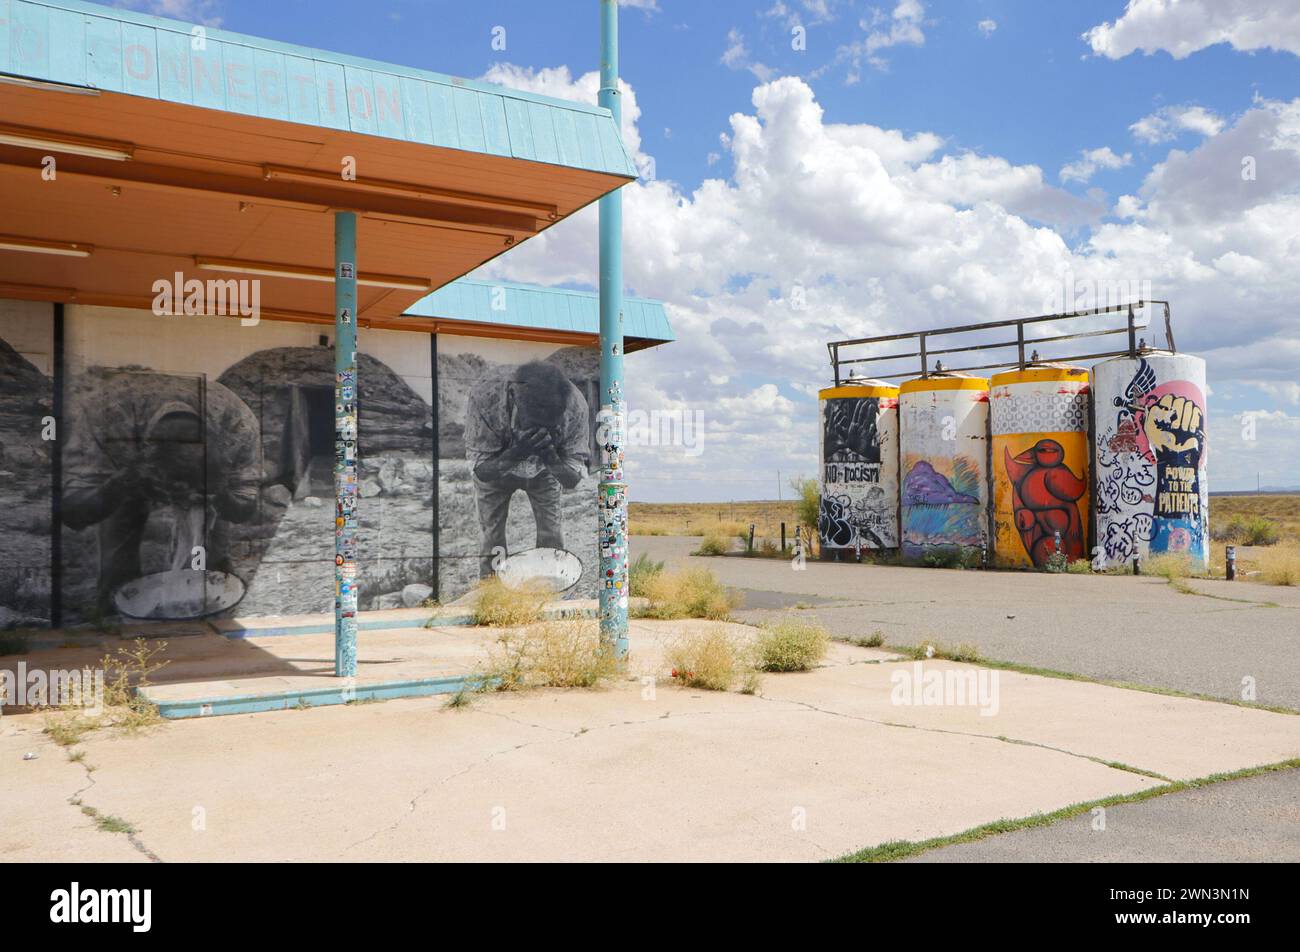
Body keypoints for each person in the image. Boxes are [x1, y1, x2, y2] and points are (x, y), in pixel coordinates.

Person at [62, 372, 261, 613]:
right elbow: (73, 511)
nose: (182, 503)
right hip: (125, 471)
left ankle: (217, 609)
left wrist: (219, 496)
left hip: (211, 486)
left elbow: (245, 509)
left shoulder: (238, 426)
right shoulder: (104, 418)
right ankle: (118, 613)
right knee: (117, 552)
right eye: (175, 493)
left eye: (191, 495)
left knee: (214, 554)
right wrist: (120, 484)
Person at [464, 360, 590, 578]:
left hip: (545, 471)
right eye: (532, 423)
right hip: (497, 466)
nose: (540, 430)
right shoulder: (485, 397)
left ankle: (549, 585)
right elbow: (483, 472)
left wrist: (550, 457)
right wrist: (518, 452)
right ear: (514, 396)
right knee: (492, 536)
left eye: (549, 425)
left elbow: (572, 480)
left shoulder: (576, 407)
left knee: (551, 533)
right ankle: (492, 590)